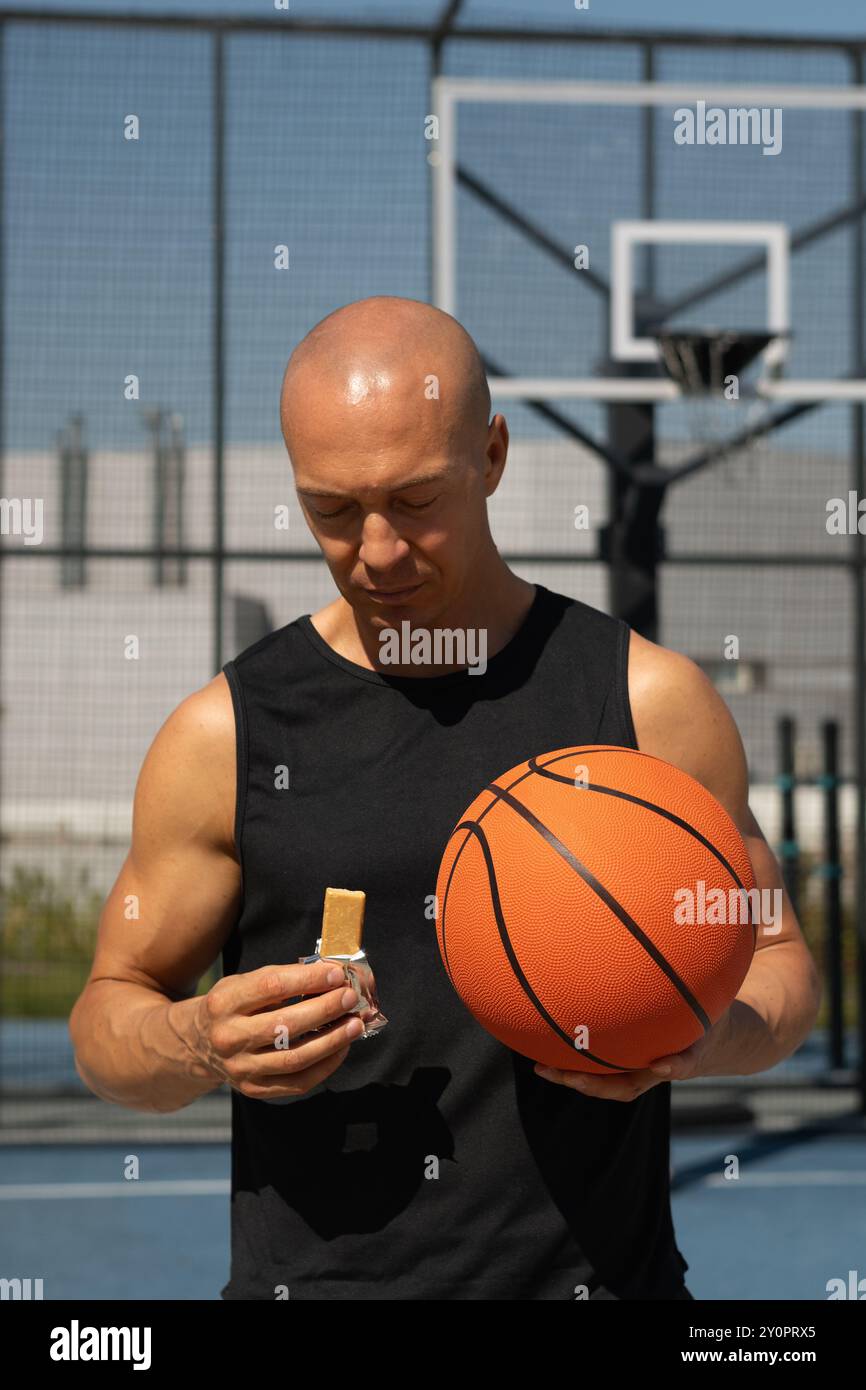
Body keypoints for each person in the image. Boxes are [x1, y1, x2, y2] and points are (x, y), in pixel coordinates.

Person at [70, 296, 820, 1300]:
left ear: (492, 456)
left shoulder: (647, 702)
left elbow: (775, 965)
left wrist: (698, 1039)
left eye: (416, 500)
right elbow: (106, 1019)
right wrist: (201, 1038)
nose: (376, 550)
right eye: (331, 510)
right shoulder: (226, 732)